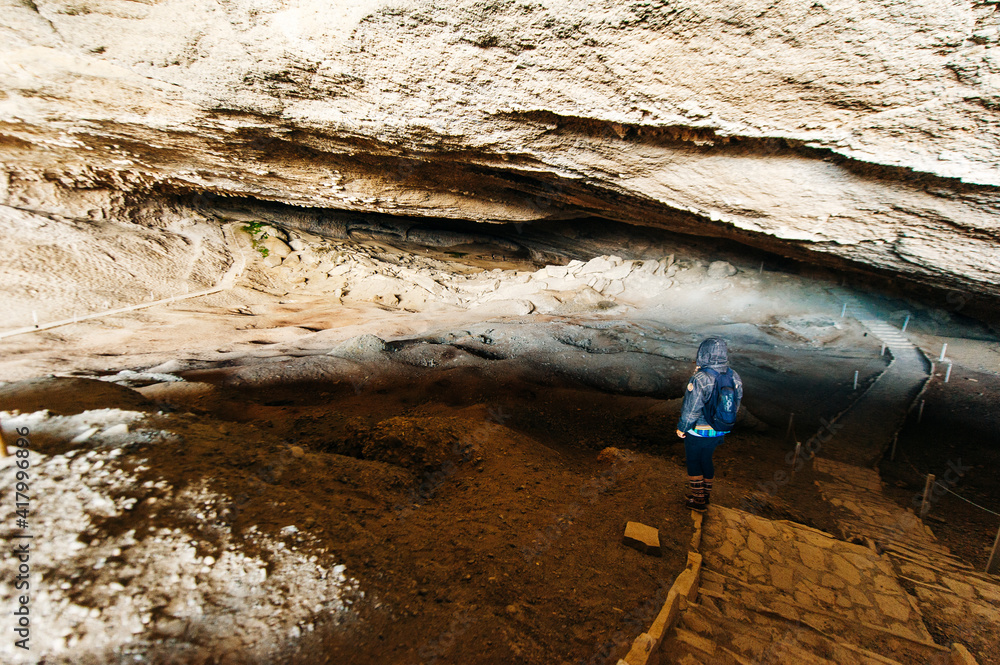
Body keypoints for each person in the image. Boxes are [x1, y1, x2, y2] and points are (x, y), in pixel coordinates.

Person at [676, 337, 743, 512]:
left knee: (693, 461)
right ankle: (705, 496)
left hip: (699, 430)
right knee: (707, 459)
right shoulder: (733, 375)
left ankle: (698, 502)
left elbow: (692, 407)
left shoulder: (700, 378)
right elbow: (736, 404)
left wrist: (682, 427)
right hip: (719, 429)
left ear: (703, 354)